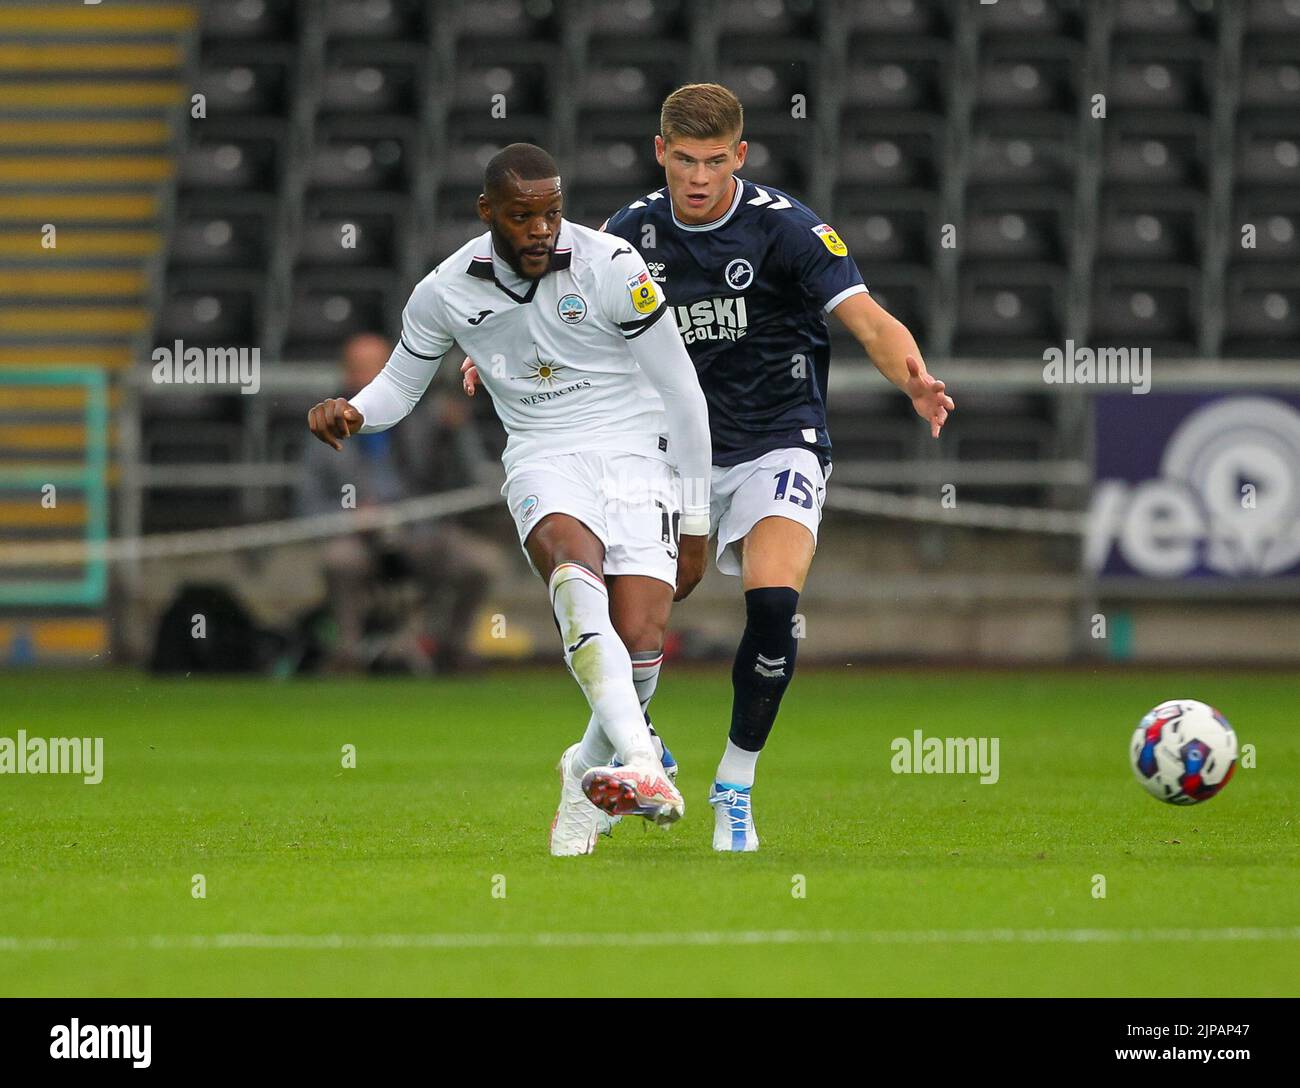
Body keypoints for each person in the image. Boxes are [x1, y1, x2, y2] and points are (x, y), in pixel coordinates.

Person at [465, 84, 956, 852]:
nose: (698, 177)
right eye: (684, 161)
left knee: (771, 605)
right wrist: (498, 354)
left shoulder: (785, 229)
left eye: (714, 161)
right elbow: (557, 304)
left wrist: (915, 380)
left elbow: (867, 318)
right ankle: (624, 753)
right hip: (669, 451)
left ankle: (734, 784)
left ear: (740, 156)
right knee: (642, 623)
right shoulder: (630, 231)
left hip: (776, 440)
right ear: (661, 153)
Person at [307, 143, 714, 856]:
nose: (540, 230)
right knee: (573, 577)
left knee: (642, 635)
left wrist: (699, 517)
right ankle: (646, 766)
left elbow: (683, 392)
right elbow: (401, 384)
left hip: (634, 453)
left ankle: (587, 771)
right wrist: (355, 411)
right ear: (487, 212)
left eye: (551, 214)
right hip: (543, 456)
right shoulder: (446, 289)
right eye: (522, 216)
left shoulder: (612, 265)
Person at [298, 332, 505, 674]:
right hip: (358, 539)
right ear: (346, 375)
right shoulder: (326, 425)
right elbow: (307, 503)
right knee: (339, 559)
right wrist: (350, 517)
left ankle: (452, 649)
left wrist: (457, 432)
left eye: (379, 367)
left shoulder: (425, 420)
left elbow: (470, 482)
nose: (371, 377)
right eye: (361, 369)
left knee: (481, 563)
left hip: (421, 534)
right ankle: (347, 654)